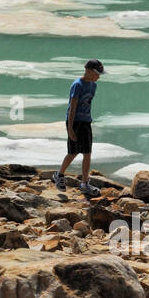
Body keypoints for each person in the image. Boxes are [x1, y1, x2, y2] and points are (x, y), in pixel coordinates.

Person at [54, 59, 104, 196]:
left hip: (86, 122)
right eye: (97, 73)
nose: (98, 76)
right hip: (75, 122)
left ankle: (85, 183)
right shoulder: (77, 85)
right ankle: (59, 175)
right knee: (73, 152)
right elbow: (72, 107)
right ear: (88, 71)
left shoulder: (93, 85)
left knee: (87, 153)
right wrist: (70, 128)